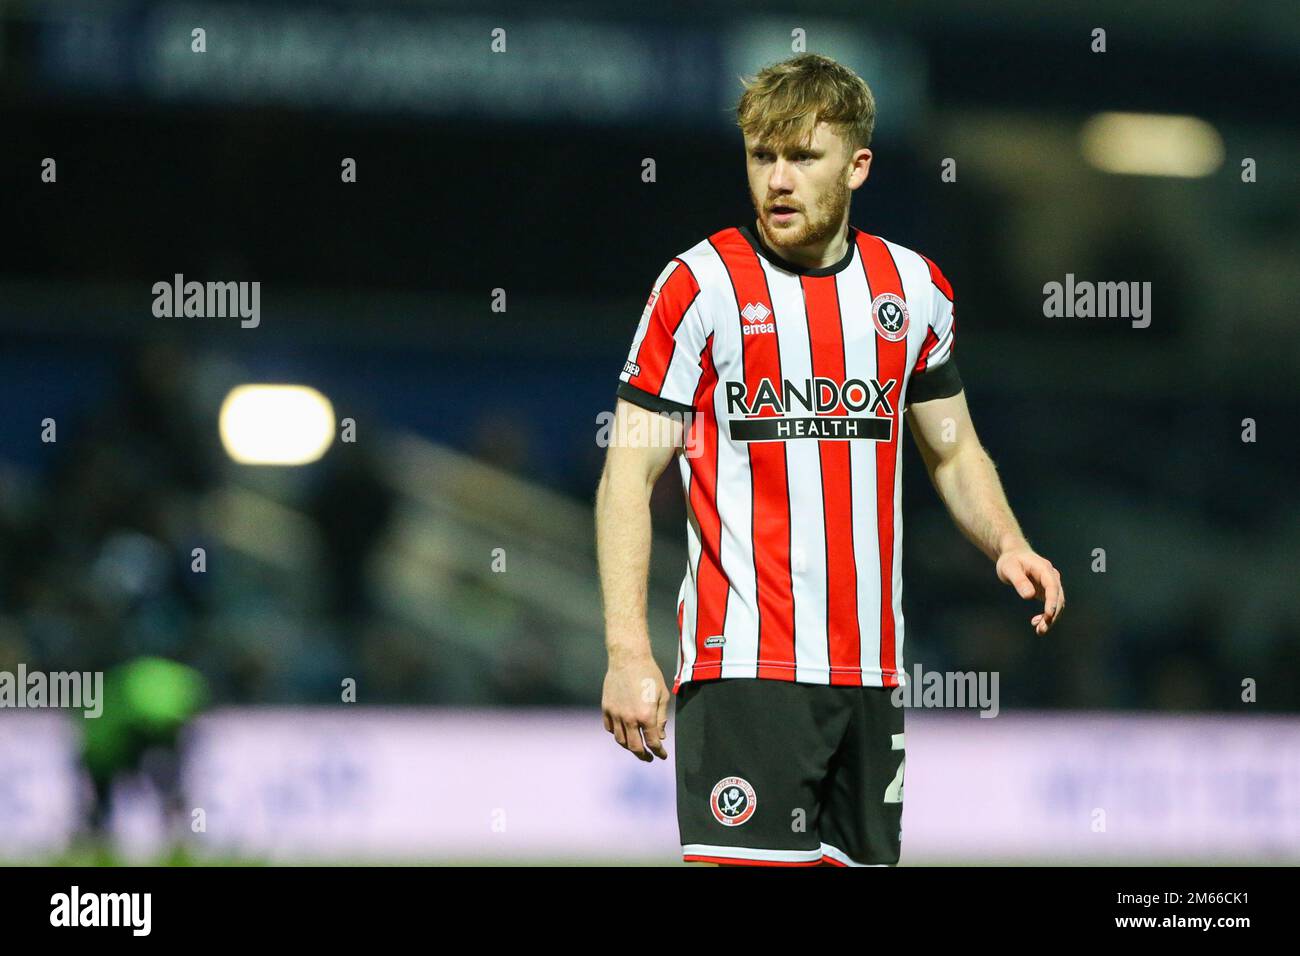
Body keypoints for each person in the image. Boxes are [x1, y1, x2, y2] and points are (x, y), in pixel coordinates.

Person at [595, 53, 1064, 866]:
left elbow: (953, 453)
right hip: (744, 668)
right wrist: (629, 653)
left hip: (873, 673)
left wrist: (1008, 542)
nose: (777, 179)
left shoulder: (911, 288)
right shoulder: (697, 288)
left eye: (802, 156)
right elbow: (627, 477)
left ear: (857, 165)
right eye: (761, 155)